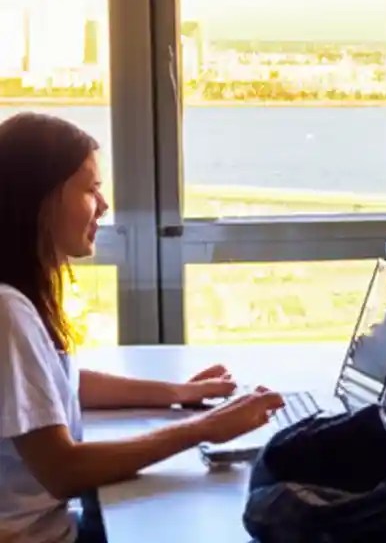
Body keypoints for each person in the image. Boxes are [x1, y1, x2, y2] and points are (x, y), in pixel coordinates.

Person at [0, 113, 283, 543]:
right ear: (41, 198)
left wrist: (177, 393)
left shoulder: (18, 299)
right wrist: (204, 429)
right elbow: (63, 470)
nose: (103, 205)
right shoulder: (8, 310)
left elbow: (61, 384)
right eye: (90, 189)